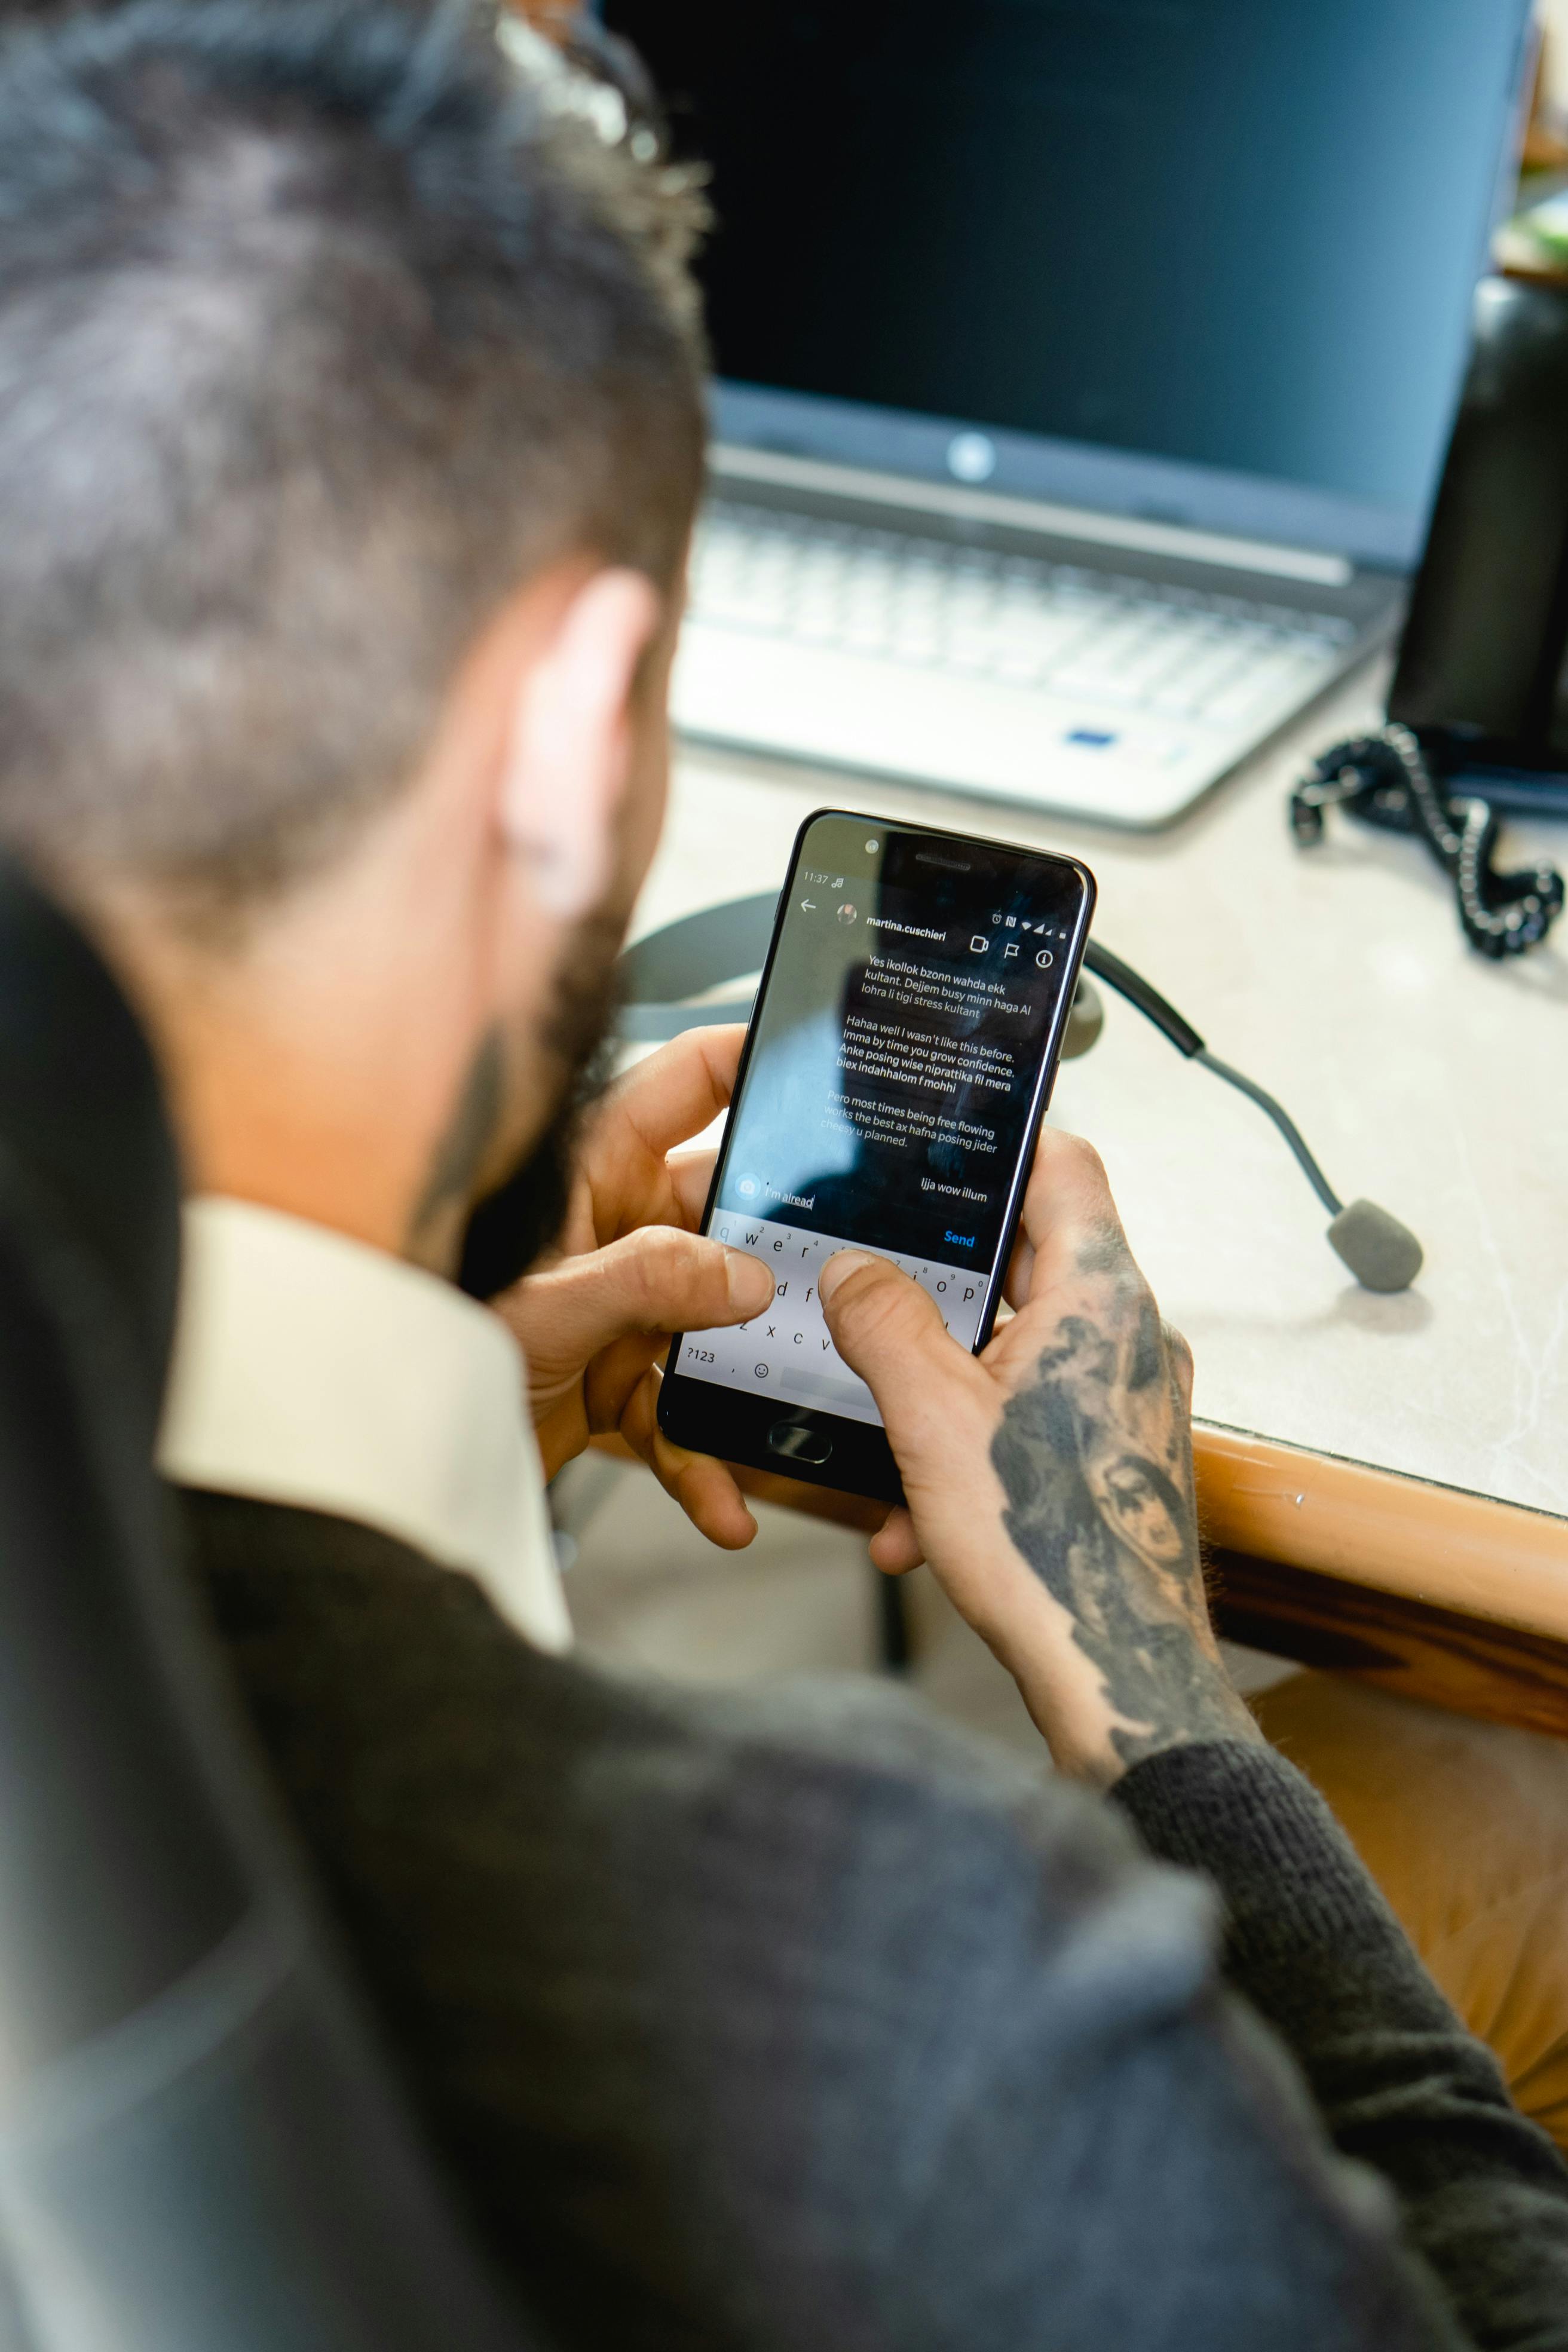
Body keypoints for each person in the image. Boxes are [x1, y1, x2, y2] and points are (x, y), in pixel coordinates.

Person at [2, 4, 1566, 2346]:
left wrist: (464, 1456)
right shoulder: (924, 1988)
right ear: (568, 737)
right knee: (1517, 1809)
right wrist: (1153, 1691)